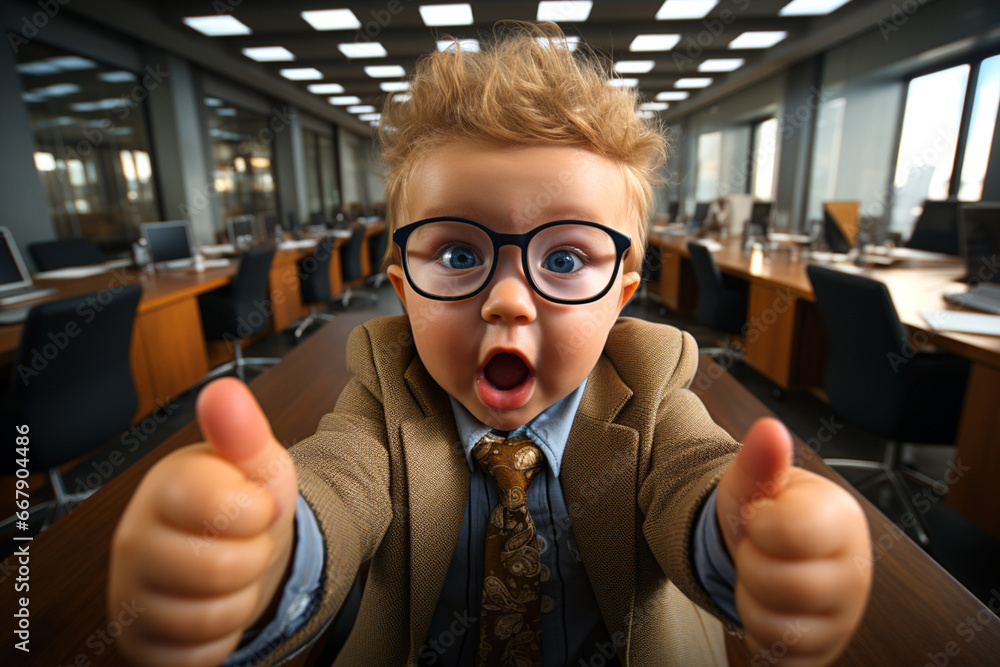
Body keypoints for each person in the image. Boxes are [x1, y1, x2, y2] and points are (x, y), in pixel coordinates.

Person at [108, 22, 871, 667]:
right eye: (460, 254)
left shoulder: (649, 383)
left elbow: (692, 476)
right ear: (402, 287)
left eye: (566, 260)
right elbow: (337, 482)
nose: (509, 298)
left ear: (622, 298)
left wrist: (751, 546)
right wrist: (267, 555)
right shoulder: (386, 387)